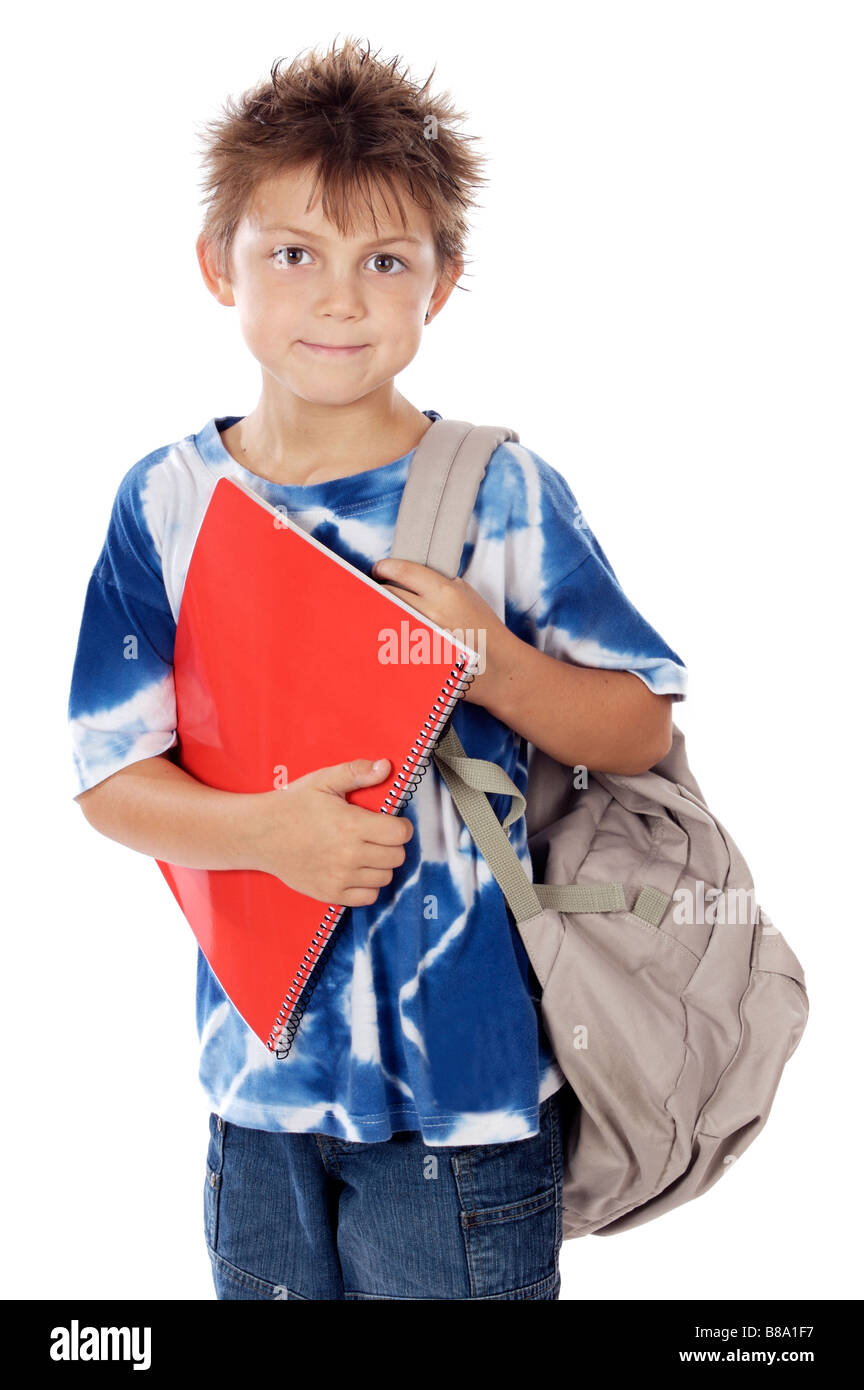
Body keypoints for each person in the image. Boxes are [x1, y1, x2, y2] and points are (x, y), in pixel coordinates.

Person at [67, 35, 688, 1300]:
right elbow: (108, 776)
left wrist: (492, 659)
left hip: (461, 1117)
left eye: (384, 262)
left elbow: (636, 728)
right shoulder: (171, 500)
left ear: (440, 285)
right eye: (293, 254)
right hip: (257, 1100)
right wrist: (265, 836)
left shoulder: (500, 492)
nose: (339, 299)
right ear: (217, 266)